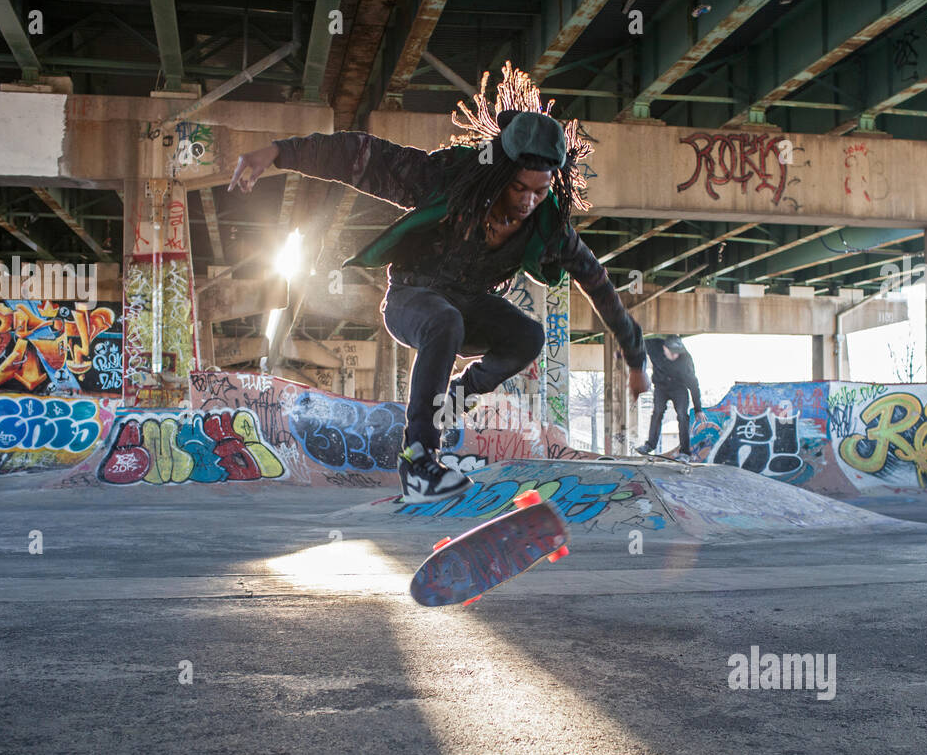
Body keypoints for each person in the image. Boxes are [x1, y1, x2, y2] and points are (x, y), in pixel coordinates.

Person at [229, 62, 649, 502]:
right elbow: (363, 156)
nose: (528, 201)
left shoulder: (549, 227)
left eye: (540, 191)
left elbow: (598, 284)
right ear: (500, 171)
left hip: (471, 305)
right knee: (444, 320)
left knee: (528, 335)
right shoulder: (450, 177)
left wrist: (635, 357)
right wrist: (279, 152)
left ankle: (453, 400)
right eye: (519, 188)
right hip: (412, 299)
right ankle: (418, 460)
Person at [636, 335, 702, 459]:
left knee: (682, 416)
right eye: (672, 353)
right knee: (657, 413)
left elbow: (694, 386)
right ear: (664, 348)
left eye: (677, 354)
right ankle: (650, 445)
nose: (674, 356)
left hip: (679, 388)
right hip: (661, 387)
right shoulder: (653, 345)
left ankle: (685, 452)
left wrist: (698, 409)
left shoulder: (685, 361)